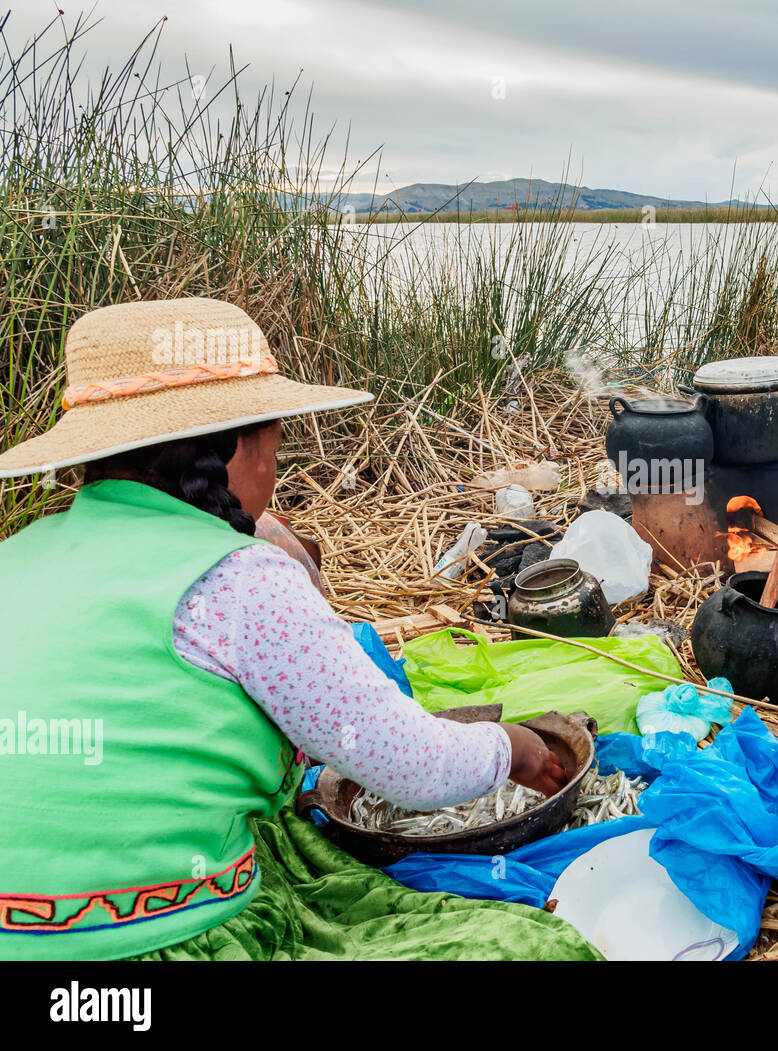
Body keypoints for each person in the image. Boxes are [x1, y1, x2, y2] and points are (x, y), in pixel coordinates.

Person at [0, 297, 597, 961]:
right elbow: (412, 764)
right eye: (276, 444)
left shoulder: (18, 554)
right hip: (142, 945)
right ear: (238, 446)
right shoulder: (238, 576)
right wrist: (509, 747)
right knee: (533, 951)